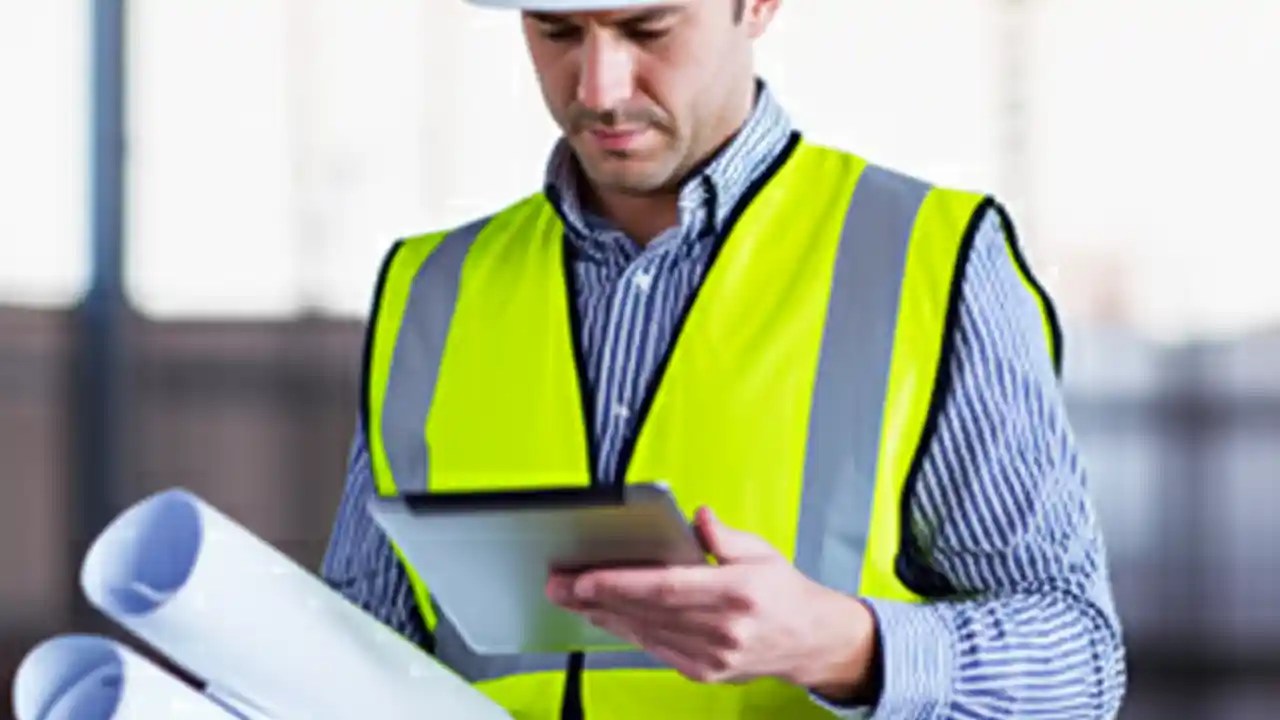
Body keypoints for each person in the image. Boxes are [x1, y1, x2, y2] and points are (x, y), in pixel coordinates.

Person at [321, 0, 1127, 717]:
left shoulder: (927, 260)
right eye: (557, 31)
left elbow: (1078, 667)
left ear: (758, 5)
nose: (599, 88)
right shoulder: (432, 288)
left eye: (648, 29)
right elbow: (352, 653)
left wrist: (842, 645)